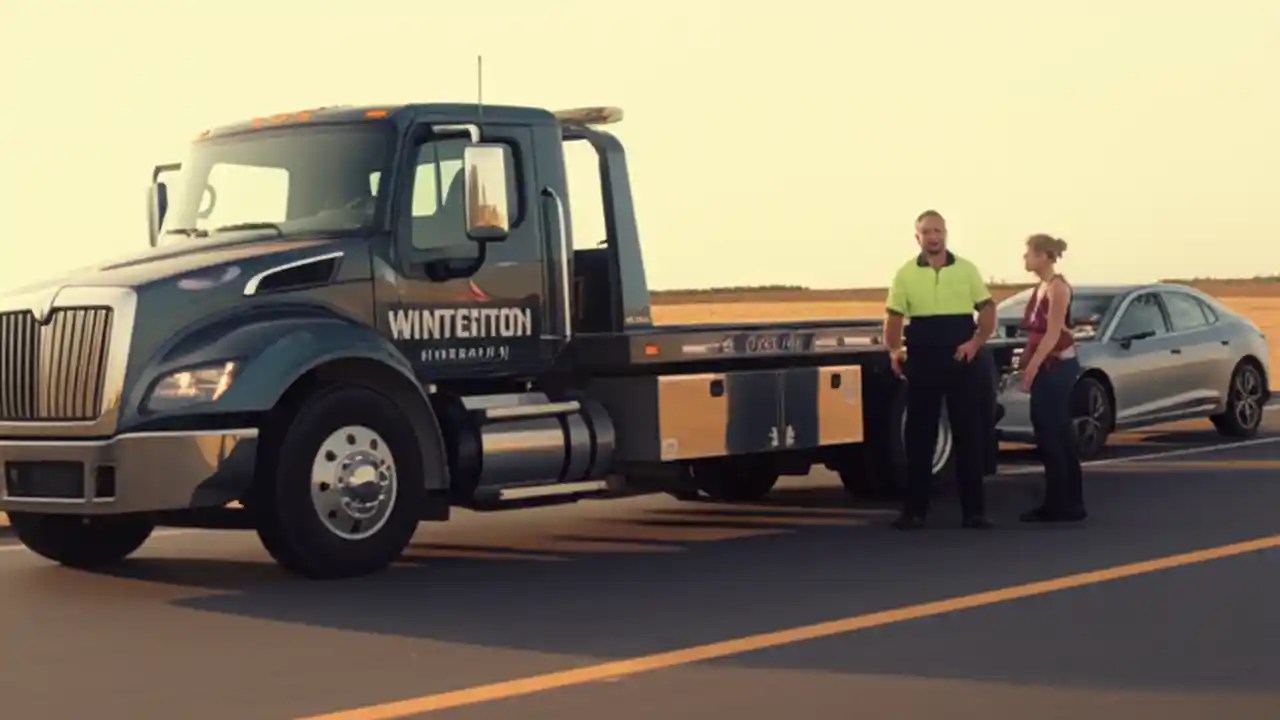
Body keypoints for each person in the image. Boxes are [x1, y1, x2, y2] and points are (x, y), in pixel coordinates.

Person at [884, 210, 997, 530]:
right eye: (926, 232)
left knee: (968, 434)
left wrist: (975, 344)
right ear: (917, 237)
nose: (933, 237)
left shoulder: (966, 269)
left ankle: (974, 512)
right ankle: (914, 512)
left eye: (938, 231)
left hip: (960, 356)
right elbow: (893, 317)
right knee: (919, 436)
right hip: (922, 356)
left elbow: (987, 309)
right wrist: (894, 349)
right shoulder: (905, 273)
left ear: (945, 233)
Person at [1016, 233, 1087, 522]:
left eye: (1029, 253)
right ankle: (1064, 501)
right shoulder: (1040, 288)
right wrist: (1026, 359)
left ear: (1044, 256)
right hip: (1048, 368)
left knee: (1054, 433)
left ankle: (1064, 502)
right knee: (1051, 433)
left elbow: (1053, 332)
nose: (1025, 258)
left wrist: (1032, 367)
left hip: (1057, 369)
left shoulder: (1058, 288)